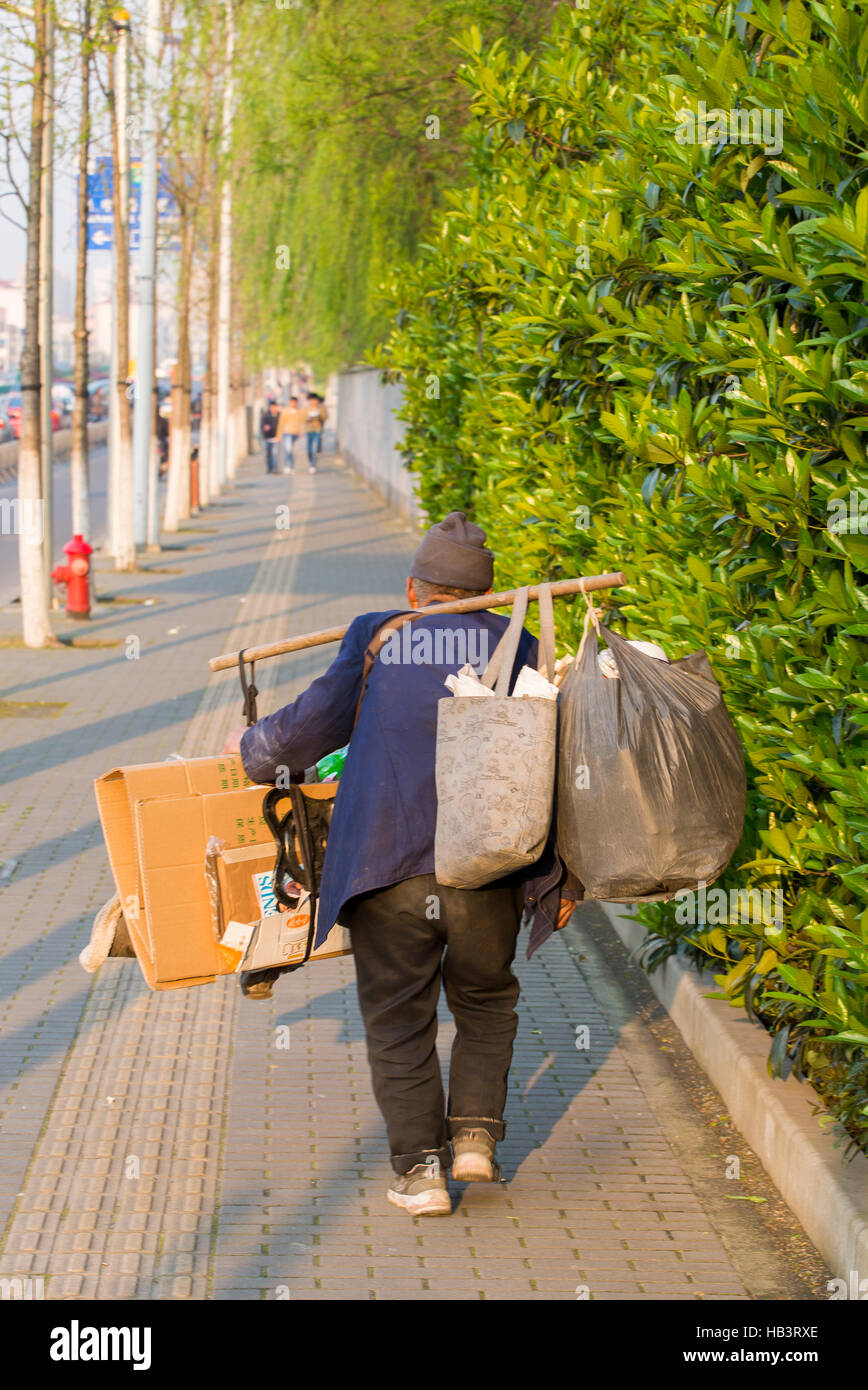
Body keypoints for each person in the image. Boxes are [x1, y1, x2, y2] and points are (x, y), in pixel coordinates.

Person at [224, 512, 577, 1218]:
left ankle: (420, 1172)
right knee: (485, 998)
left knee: (397, 1016)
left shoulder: (378, 634)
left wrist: (255, 747)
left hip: (387, 865)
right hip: (487, 868)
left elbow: (311, 729)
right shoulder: (524, 646)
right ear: (487, 592)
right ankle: (475, 1134)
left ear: (415, 590)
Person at [276, 396, 305, 473]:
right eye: (291, 402)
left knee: (291, 450)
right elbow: (281, 423)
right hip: (287, 432)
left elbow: (302, 422)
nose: (293, 403)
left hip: (295, 433)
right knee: (288, 449)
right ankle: (286, 465)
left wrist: (302, 431)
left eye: (294, 402)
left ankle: (291, 466)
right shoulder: (285, 411)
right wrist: (279, 435)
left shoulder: (299, 411)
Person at [304, 391, 327, 473]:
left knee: (315, 448)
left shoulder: (322, 408)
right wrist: (308, 418)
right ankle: (310, 462)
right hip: (309, 430)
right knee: (309, 449)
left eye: (315, 400)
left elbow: (325, 418)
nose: (314, 402)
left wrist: (319, 415)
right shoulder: (307, 408)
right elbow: (303, 419)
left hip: (318, 429)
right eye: (312, 400)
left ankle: (314, 465)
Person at [259, 397, 280, 473]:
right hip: (268, 438)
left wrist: (279, 436)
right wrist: (265, 431)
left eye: (275, 407)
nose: (273, 409)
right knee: (269, 454)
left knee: (275, 454)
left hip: (276, 438)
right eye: (272, 407)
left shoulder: (279, 416)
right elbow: (262, 426)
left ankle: (275, 468)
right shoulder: (266, 416)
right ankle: (269, 468)